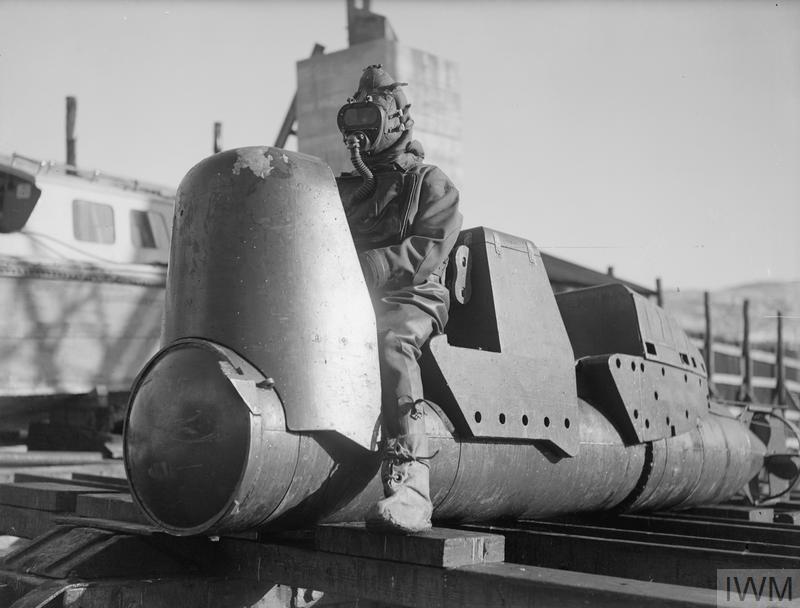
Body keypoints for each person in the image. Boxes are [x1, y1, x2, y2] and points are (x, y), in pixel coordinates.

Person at [336, 65, 462, 533]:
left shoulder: (431, 182)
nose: (360, 132)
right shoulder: (342, 189)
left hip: (412, 297)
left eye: (370, 117)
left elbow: (428, 251)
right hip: (350, 296)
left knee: (391, 343)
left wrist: (365, 267)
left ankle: (412, 487)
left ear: (398, 120)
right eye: (352, 121)